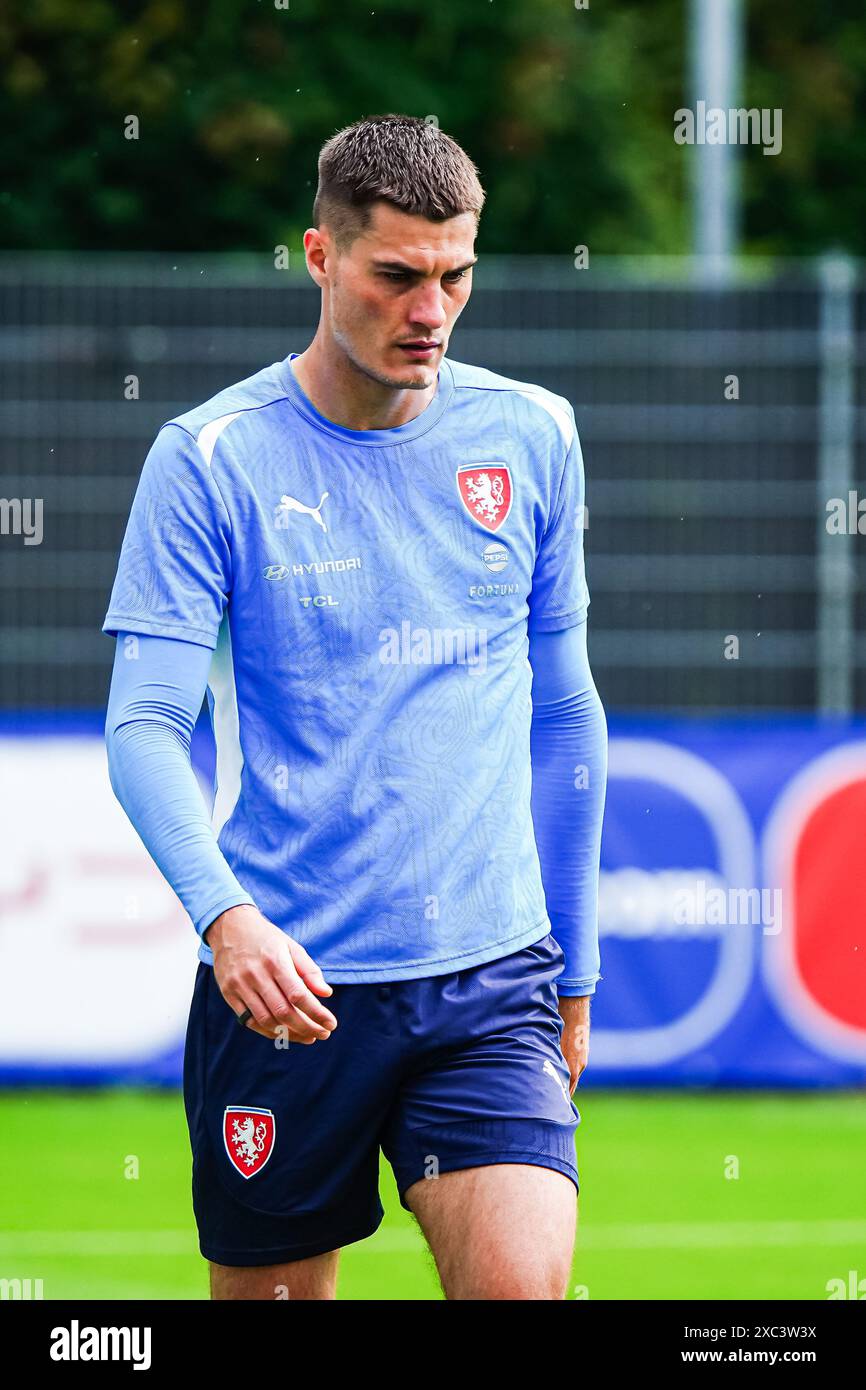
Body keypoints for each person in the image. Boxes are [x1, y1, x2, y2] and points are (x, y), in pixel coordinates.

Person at [102, 113, 608, 1301]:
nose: (429, 310)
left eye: (454, 276)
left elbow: (566, 714)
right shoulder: (210, 460)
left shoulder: (532, 434)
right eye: (396, 275)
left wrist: (573, 973)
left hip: (490, 979)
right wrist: (226, 920)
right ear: (321, 258)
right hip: (290, 989)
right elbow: (143, 727)